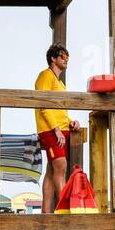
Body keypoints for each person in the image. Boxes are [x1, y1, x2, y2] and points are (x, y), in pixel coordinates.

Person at [34, 45, 80, 213]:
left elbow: (59, 109)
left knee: (51, 170)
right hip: (51, 130)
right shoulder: (45, 75)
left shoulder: (59, 82)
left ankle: (46, 213)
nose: (66, 58)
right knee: (61, 166)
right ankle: (64, 210)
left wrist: (70, 121)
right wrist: (56, 129)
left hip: (60, 128)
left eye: (67, 56)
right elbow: (44, 104)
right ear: (53, 58)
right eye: (62, 56)